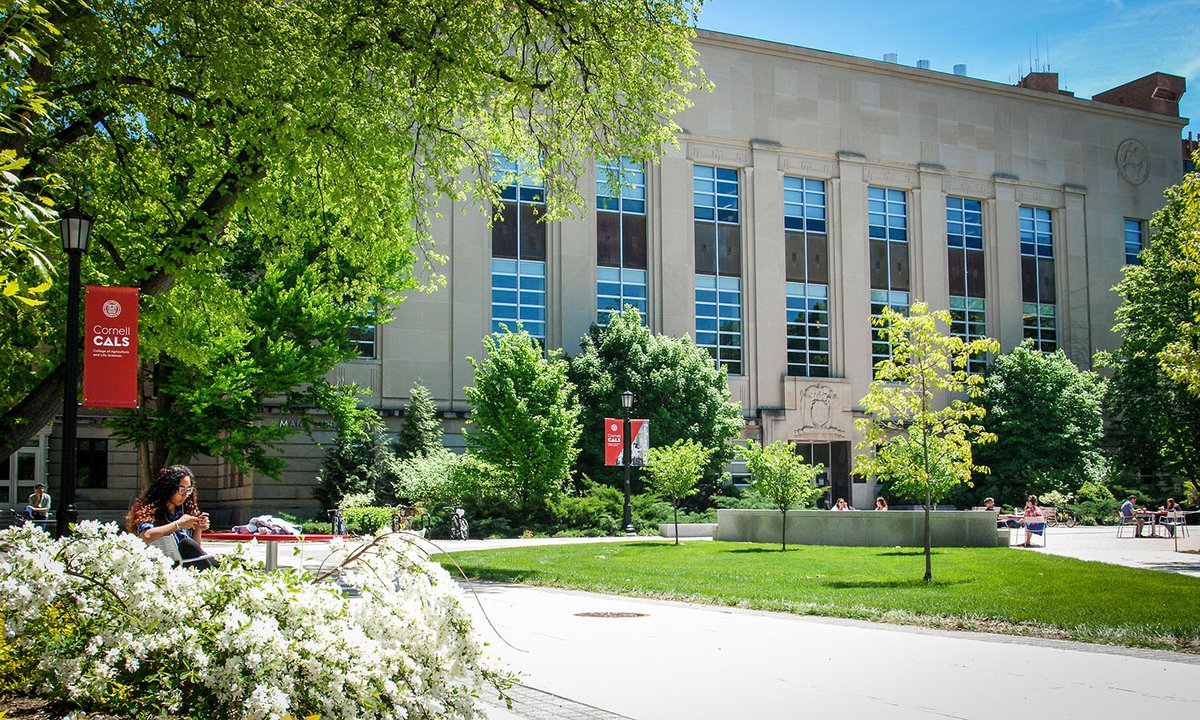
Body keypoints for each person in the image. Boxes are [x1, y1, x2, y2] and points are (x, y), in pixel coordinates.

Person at [126, 464, 216, 569]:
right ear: (168, 489)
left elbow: (195, 551)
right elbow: (147, 535)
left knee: (231, 560)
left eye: (189, 490)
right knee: (186, 544)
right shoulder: (152, 511)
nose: (186, 495)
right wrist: (177, 524)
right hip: (170, 565)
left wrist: (198, 529)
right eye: (182, 490)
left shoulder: (184, 510)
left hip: (188, 563)